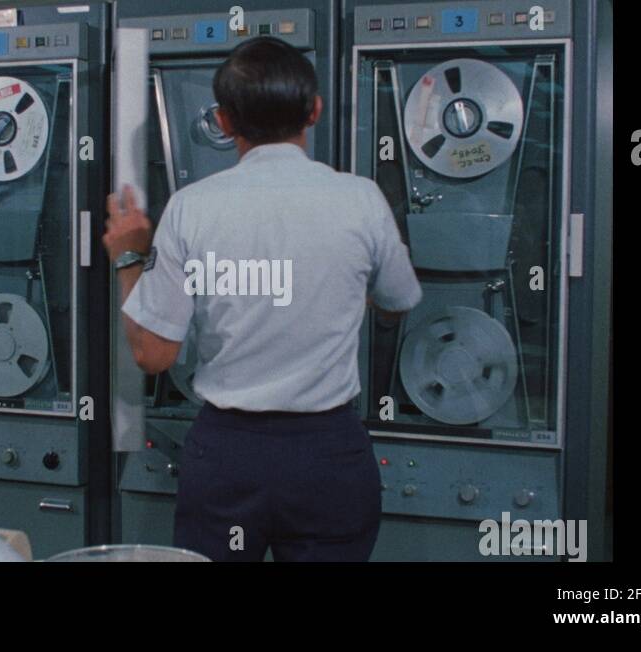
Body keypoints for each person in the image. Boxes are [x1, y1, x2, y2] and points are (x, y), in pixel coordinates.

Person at [103, 36, 422, 562]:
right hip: (330, 457)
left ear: (224, 122)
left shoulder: (191, 208)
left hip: (231, 458)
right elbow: (396, 301)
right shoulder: (361, 198)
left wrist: (127, 257)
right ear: (314, 111)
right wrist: (335, 297)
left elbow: (152, 355)